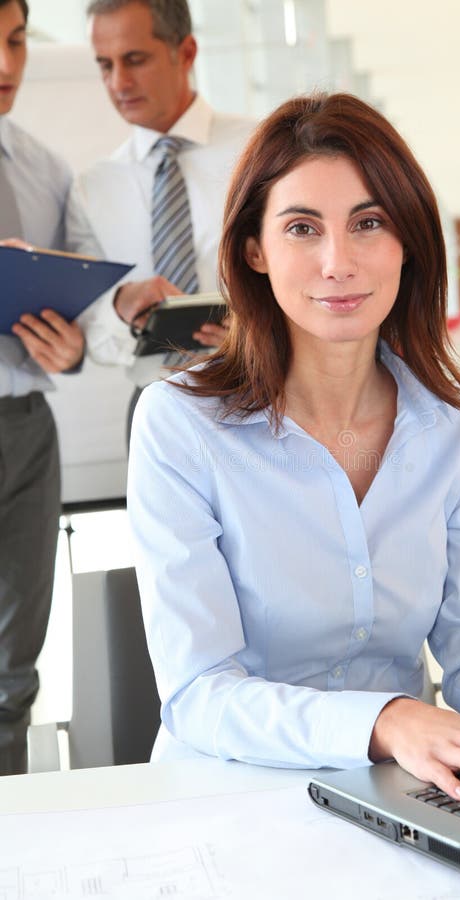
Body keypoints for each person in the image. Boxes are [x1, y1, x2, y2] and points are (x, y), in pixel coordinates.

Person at [128, 93, 460, 801]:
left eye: (369, 223)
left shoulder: (455, 427)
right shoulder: (178, 425)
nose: (338, 262)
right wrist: (385, 720)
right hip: (226, 796)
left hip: (397, 795)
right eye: (303, 228)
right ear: (255, 250)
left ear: (409, 244)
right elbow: (199, 692)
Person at [67, 0, 254, 435]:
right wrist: (119, 308)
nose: (119, 82)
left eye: (135, 59)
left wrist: (259, 331)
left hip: (260, 389)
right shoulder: (92, 188)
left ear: (186, 52)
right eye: (104, 65)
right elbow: (93, 332)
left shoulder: (260, 148)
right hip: (155, 409)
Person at [0, 0, 85, 775]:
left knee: (11, 675)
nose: (5, 66)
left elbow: (91, 296)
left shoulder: (47, 169)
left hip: (25, 431)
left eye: (16, 41)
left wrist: (73, 346)